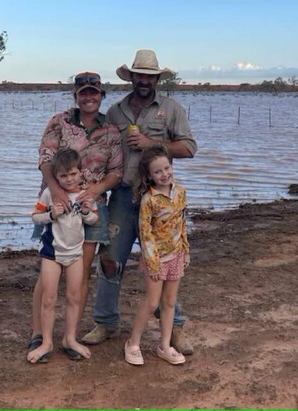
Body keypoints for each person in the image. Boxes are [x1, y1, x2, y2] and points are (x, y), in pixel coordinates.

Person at [81, 49, 198, 355]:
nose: (144, 80)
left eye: (150, 75)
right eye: (139, 75)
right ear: (131, 77)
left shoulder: (171, 109)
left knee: (162, 264)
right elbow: (101, 148)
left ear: (157, 79)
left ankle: (176, 328)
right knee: (109, 261)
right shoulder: (116, 112)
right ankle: (106, 322)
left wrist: (153, 143)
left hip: (159, 200)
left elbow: (189, 148)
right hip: (121, 196)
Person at [26, 72, 124, 361]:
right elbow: (45, 159)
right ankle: (38, 335)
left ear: (102, 95)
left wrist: (93, 191)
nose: (89, 97)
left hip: (91, 208)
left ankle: (70, 337)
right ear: (76, 96)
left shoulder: (111, 132)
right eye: (83, 92)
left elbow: (116, 173)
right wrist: (56, 192)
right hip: (56, 207)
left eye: (94, 92)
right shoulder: (60, 121)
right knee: (48, 273)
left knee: (79, 275)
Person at [27, 148, 99, 364]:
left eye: (73, 174)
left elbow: (93, 219)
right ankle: (46, 342)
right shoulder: (50, 194)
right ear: (56, 176)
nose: (69, 179)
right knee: (49, 299)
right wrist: (51, 214)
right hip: (52, 254)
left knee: (74, 297)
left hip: (75, 253)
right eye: (63, 176)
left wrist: (86, 212)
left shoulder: (85, 194)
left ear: (81, 172)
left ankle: (70, 338)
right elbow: (35, 217)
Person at [123, 144, 189, 366]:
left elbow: (182, 223)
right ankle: (133, 343)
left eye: (167, 168)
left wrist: (185, 250)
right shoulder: (148, 200)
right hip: (156, 259)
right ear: (150, 176)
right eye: (158, 171)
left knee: (169, 302)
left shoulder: (180, 192)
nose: (164, 174)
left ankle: (165, 345)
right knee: (152, 303)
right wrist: (152, 263)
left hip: (176, 254)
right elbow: (145, 233)